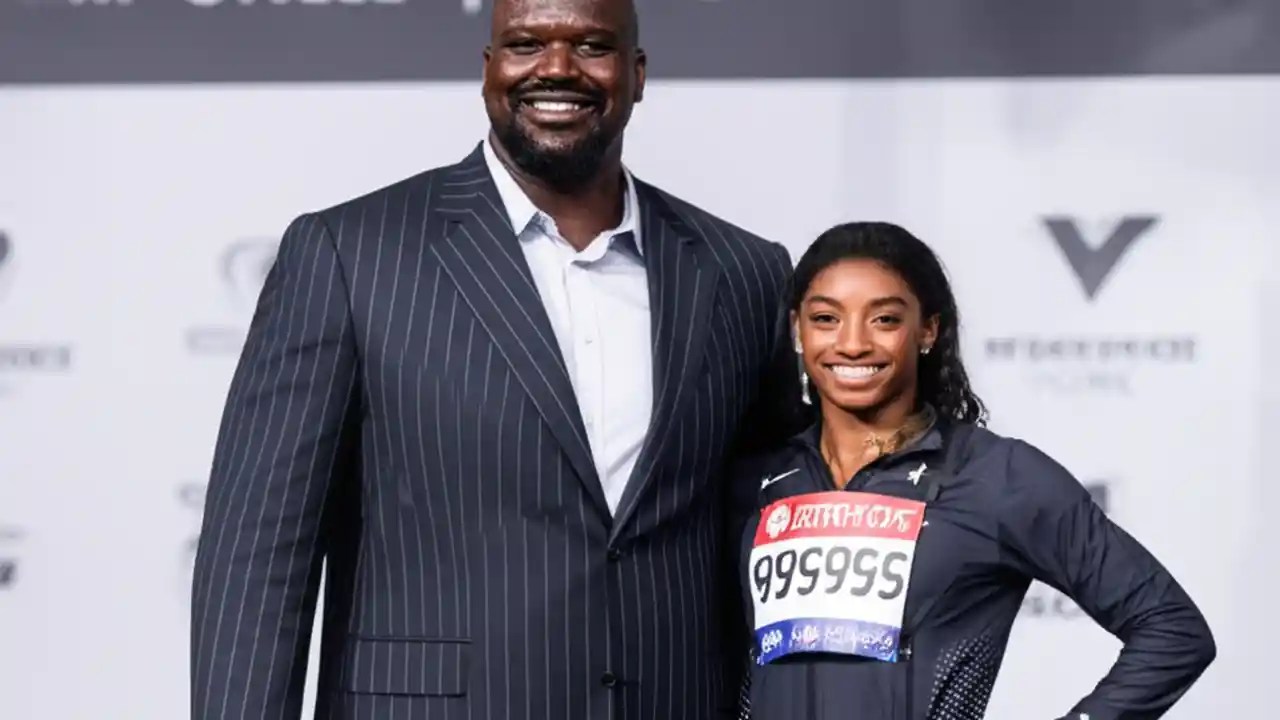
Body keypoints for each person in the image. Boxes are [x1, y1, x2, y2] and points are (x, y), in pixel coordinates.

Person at [188, 0, 799, 718]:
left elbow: (773, 529)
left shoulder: (745, 273)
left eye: (592, 46)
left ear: (637, 75)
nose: (557, 68)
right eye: (527, 43)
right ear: (488, 70)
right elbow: (257, 560)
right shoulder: (351, 256)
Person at [730, 222, 1216, 719]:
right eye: (826, 318)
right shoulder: (756, 482)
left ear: (928, 330)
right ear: (796, 329)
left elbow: (1172, 629)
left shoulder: (996, 476)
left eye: (884, 320)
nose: (852, 344)